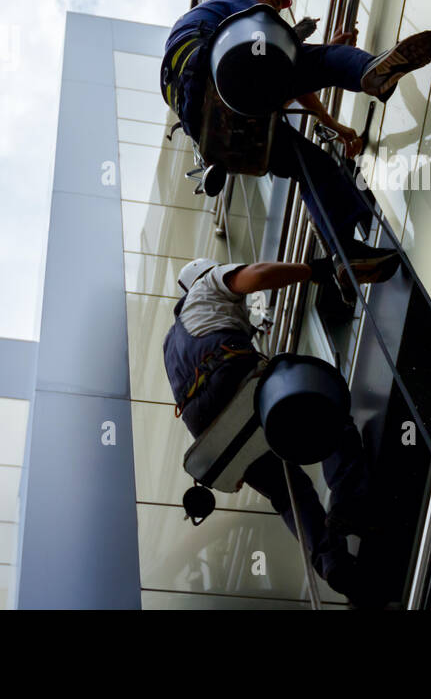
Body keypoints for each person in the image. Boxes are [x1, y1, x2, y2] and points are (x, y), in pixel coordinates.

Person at [160, 0, 431, 296]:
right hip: (214, 72)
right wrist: (334, 58)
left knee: (315, 167)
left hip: (219, 127)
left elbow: (280, 83)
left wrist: (331, 122)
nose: (275, 10)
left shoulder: (226, 46)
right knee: (317, 60)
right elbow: (282, 63)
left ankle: (346, 253)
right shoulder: (234, 4)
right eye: (274, 2)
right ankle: (365, 68)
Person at [165, 256, 385, 605]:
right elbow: (256, 276)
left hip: (213, 435)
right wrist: (316, 270)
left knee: (287, 493)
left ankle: (334, 564)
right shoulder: (208, 284)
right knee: (328, 420)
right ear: (206, 272)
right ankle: (351, 503)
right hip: (232, 381)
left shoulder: (171, 342)